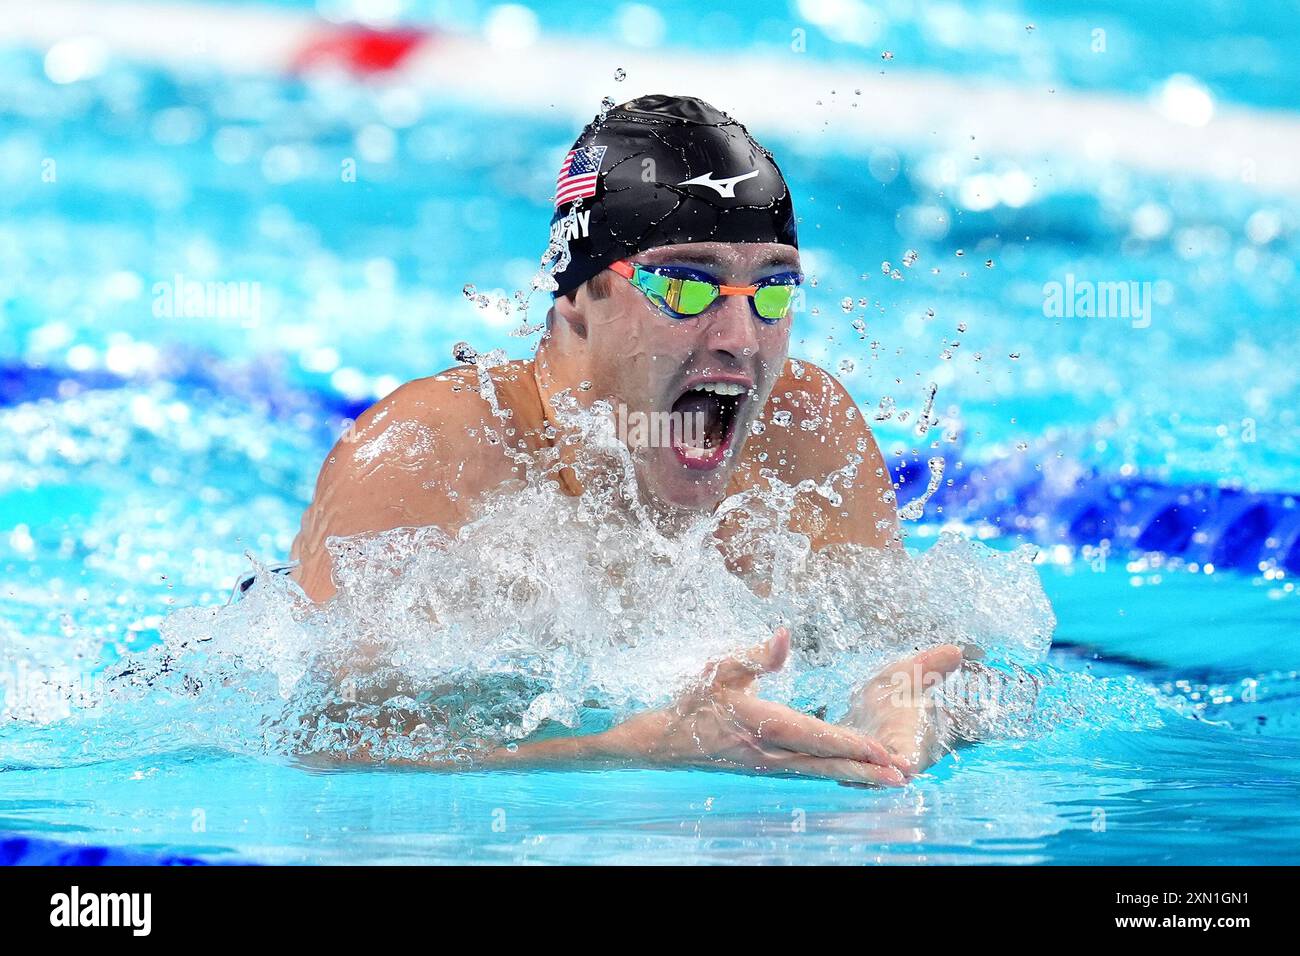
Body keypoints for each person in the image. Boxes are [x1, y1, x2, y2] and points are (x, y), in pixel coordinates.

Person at [290, 94, 964, 785]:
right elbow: (325, 752)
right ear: (578, 300)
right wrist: (623, 749)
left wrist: (914, 710)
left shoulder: (803, 434)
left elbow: (969, 671)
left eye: (771, 291)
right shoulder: (429, 455)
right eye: (686, 285)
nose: (740, 340)